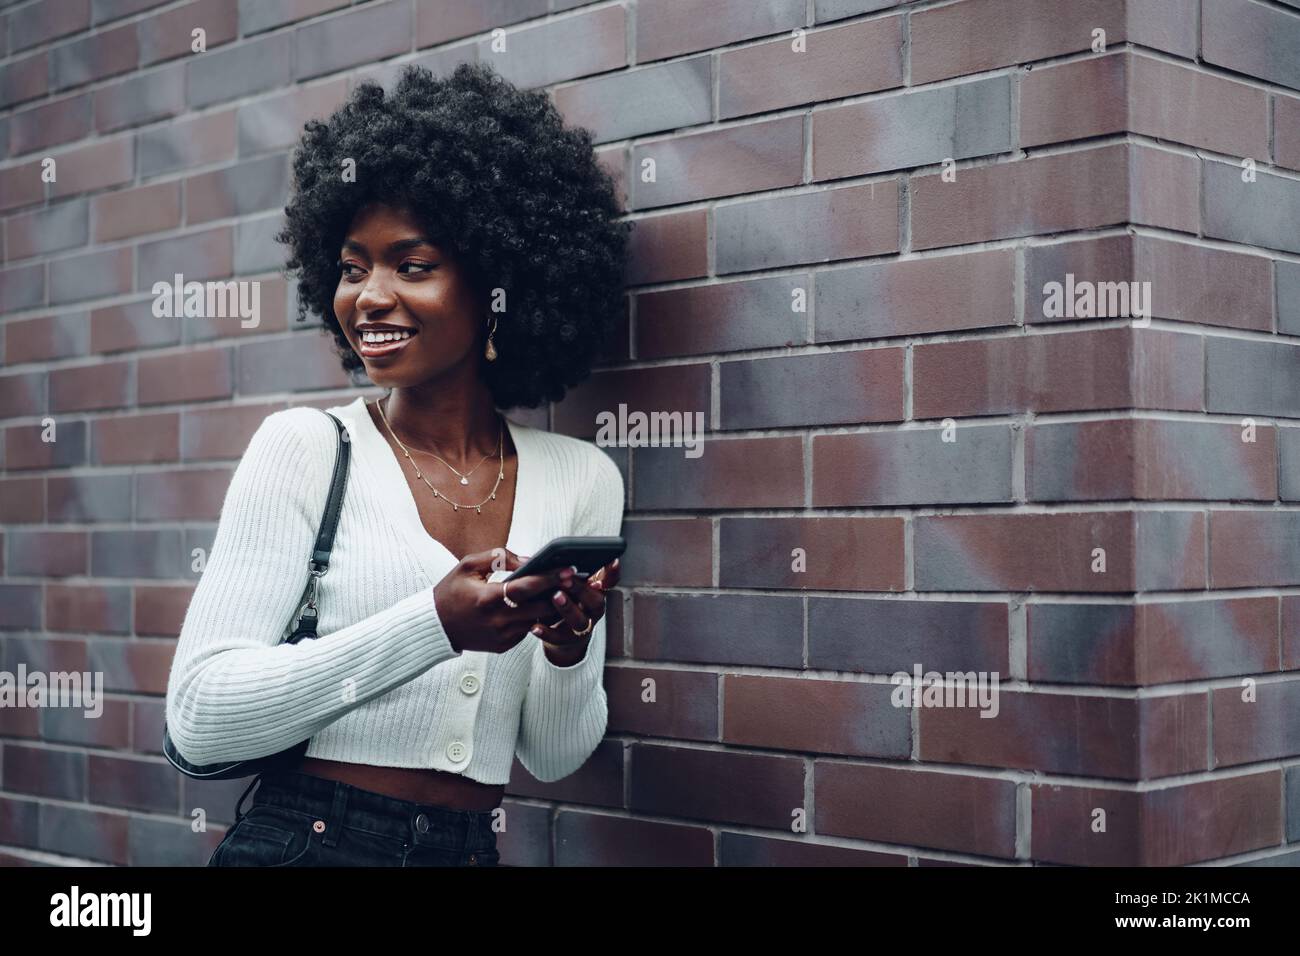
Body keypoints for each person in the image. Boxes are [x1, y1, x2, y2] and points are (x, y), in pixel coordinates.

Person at [164, 62, 630, 867]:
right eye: (352, 268)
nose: (368, 297)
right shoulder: (307, 447)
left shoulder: (583, 478)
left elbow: (552, 758)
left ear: (497, 287)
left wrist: (566, 649)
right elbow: (201, 716)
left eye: (412, 266)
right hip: (306, 844)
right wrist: (433, 626)